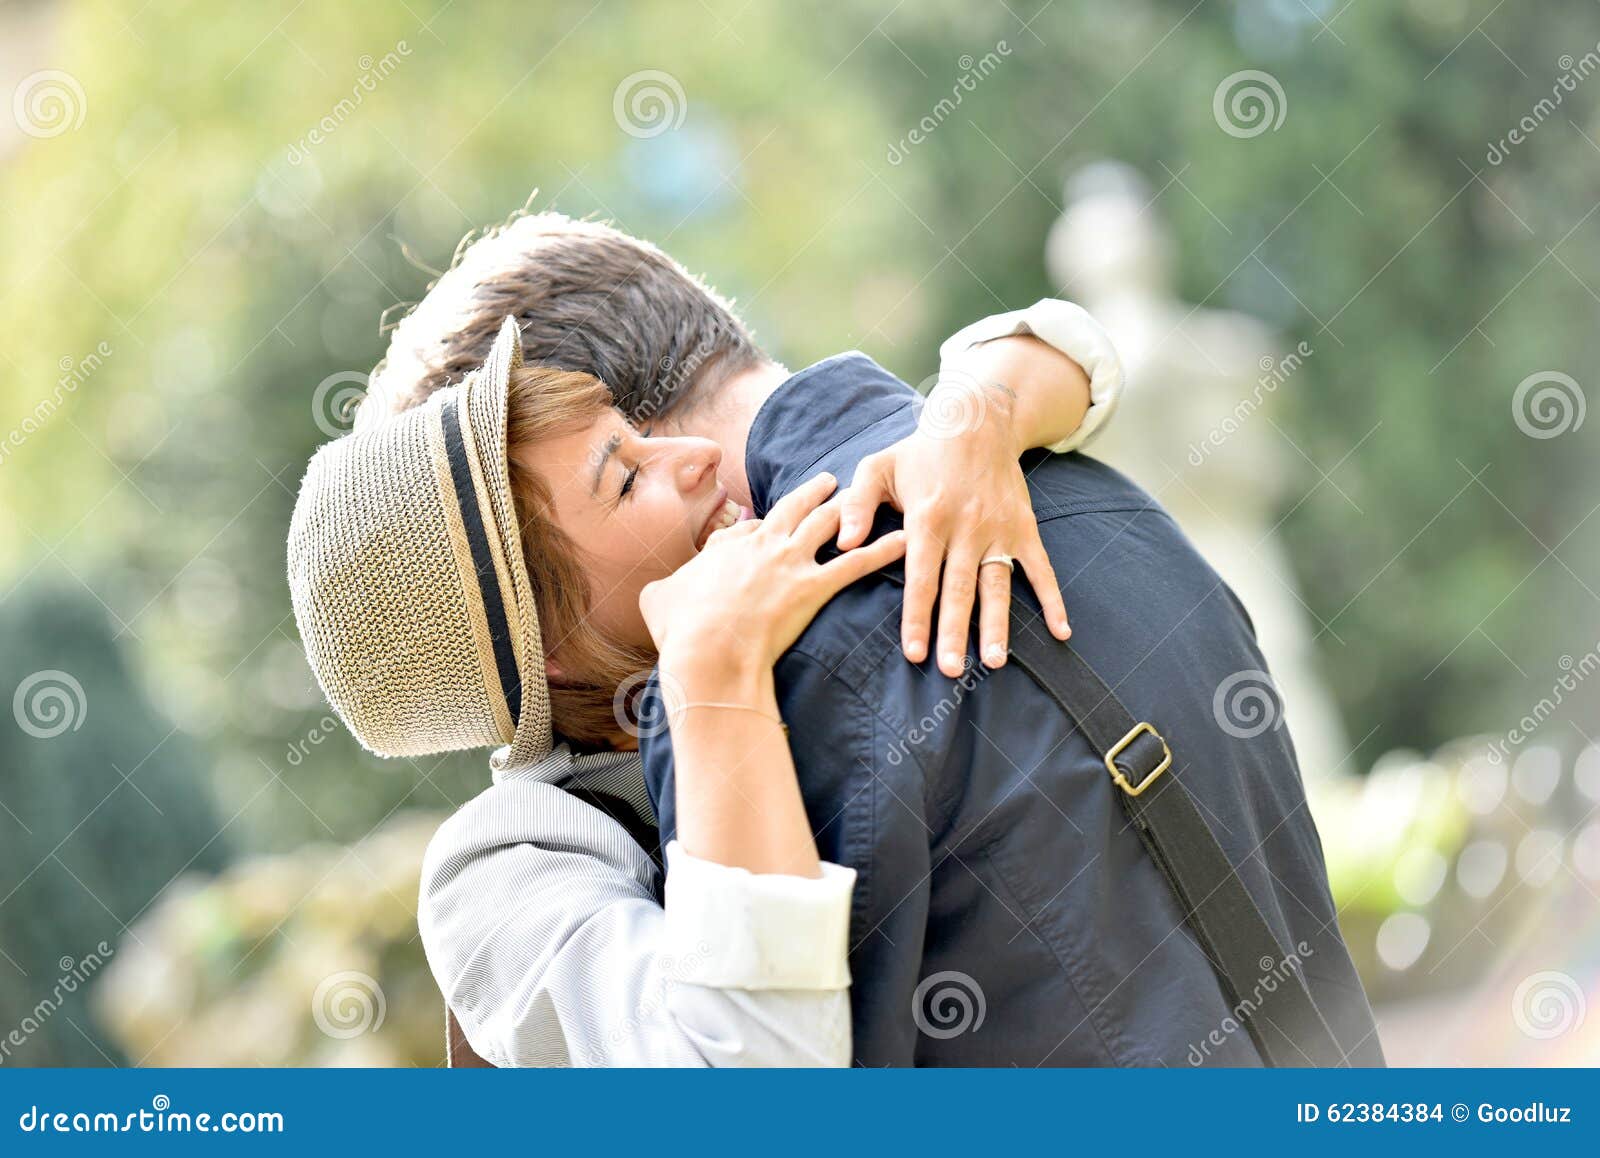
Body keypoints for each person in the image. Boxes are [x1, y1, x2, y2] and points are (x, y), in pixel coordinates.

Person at [366, 213, 1383, 1067]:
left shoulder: (749, 701)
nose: (668, 465)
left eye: (621, 451)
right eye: (620, 472)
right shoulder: (1099, 500)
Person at [295, 211, 1122, 1065]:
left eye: (636, 434)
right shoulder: (507, 867)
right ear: (541, 641)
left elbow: (1066, 352)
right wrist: (711, 678)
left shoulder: (790, 589)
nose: (691, 454)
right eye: (624, 477)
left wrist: (973, 416)